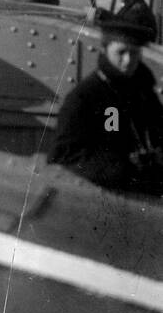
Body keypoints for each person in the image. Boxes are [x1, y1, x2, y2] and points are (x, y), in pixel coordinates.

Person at [48, 19, 163, 194]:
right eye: (121, 52)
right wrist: (118, 169)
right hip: (113, 192)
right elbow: (64, 154)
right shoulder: (86, 96)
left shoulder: (143, 90)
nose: (128, 60)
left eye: (134, 53)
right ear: (104, 50)